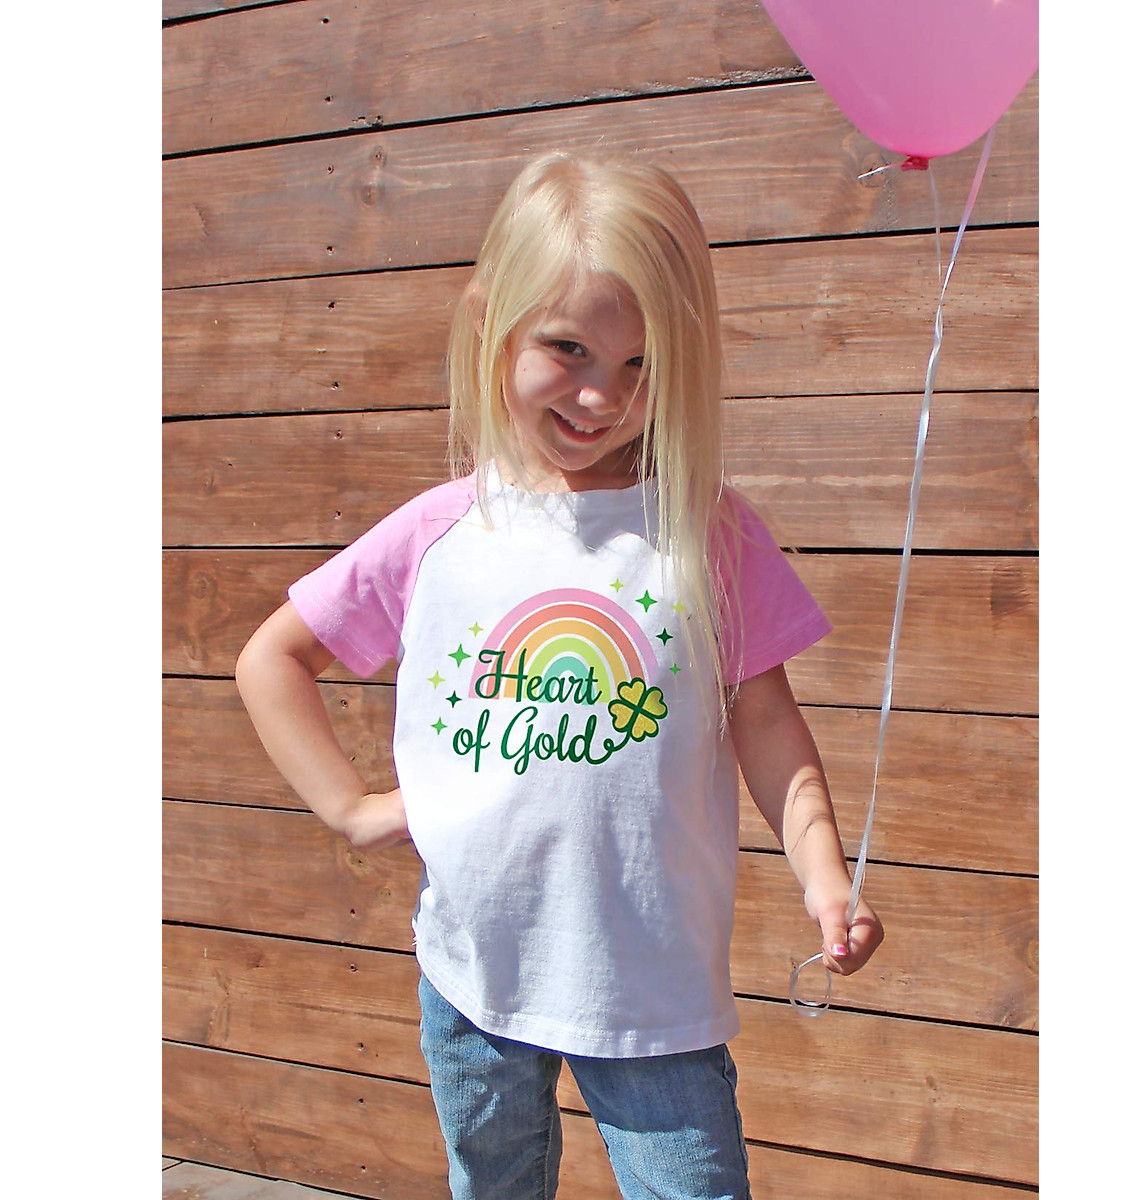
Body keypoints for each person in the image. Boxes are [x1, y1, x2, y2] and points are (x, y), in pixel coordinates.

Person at [235, 151, 883, 1200]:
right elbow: (272, 658)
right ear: (490, 324)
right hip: (473, 976)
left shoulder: (703, 533)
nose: (599, 395)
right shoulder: (441, 532)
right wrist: (350, 808)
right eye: (568, 348)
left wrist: (823, 873)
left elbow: (767, 724)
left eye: (640, 363)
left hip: (654, 993)